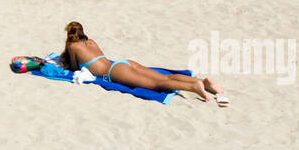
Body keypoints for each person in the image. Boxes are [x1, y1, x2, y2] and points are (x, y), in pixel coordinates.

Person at [61, 21, 226, 104]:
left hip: (113, 72)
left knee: (157, 84)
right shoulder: (91, 41)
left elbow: (74, 67)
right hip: (123, 63)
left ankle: (193, 87)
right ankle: (204, 82)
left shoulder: (73, 46)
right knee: (163, 77)